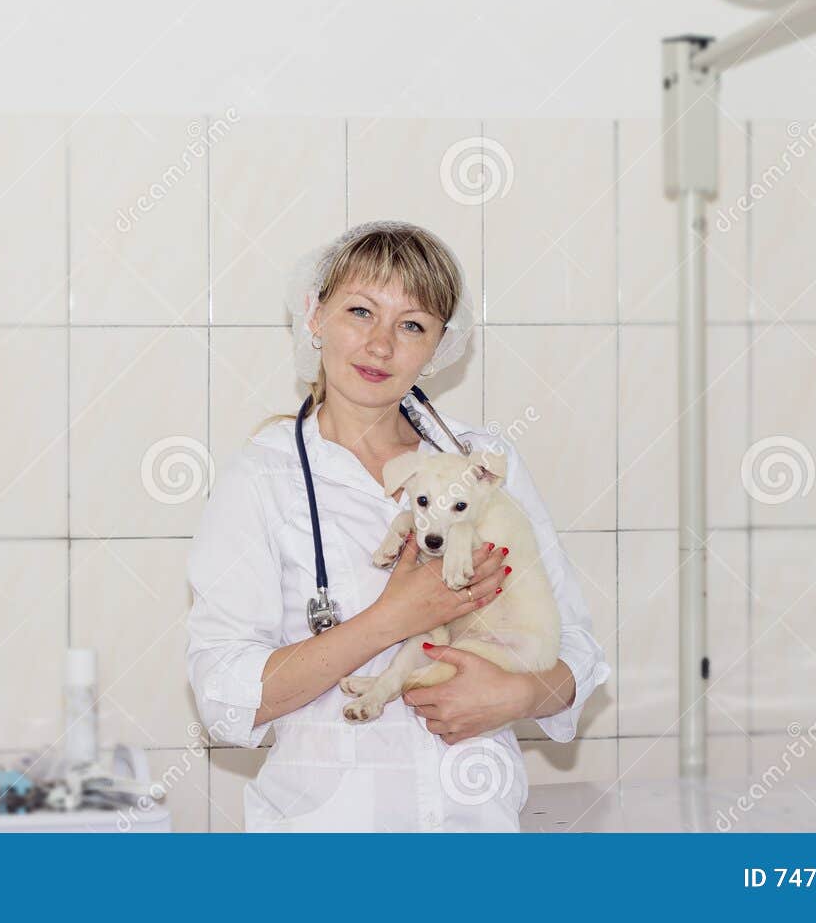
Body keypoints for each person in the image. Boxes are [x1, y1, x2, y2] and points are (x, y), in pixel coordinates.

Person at [185, 219, 610, 831]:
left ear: (439, 346)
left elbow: (574, 645)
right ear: (314, 315)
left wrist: (517, 696)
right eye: (360, 311)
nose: (381, 345)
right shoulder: (262, 479)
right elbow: (224, 694)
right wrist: (393, 616)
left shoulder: (484, 465)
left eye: (411, 324)